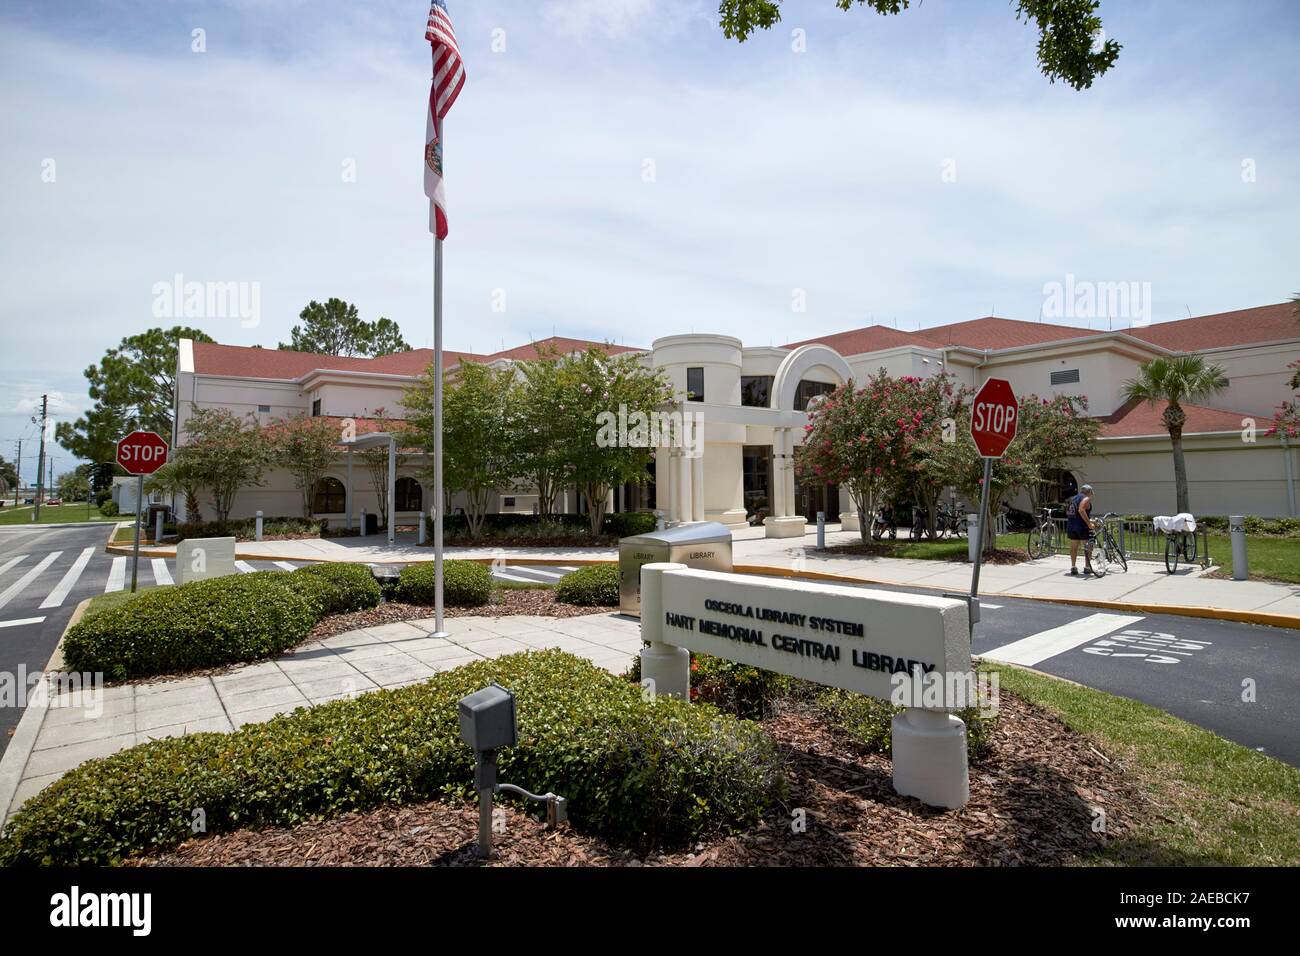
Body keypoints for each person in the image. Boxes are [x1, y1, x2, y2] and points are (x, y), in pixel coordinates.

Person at [1066, 483, 1095, 576]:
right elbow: (1081, 510)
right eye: (1091, 492)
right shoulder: (1086, 498)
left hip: (1071, 525)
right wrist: (1089, 523)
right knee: (1088, 546)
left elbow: (1069, 511)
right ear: (1089, 492)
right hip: (1082, 526)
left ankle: (1073, 566)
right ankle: (1087, 567)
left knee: (1074, 547)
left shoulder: (1072, 499)